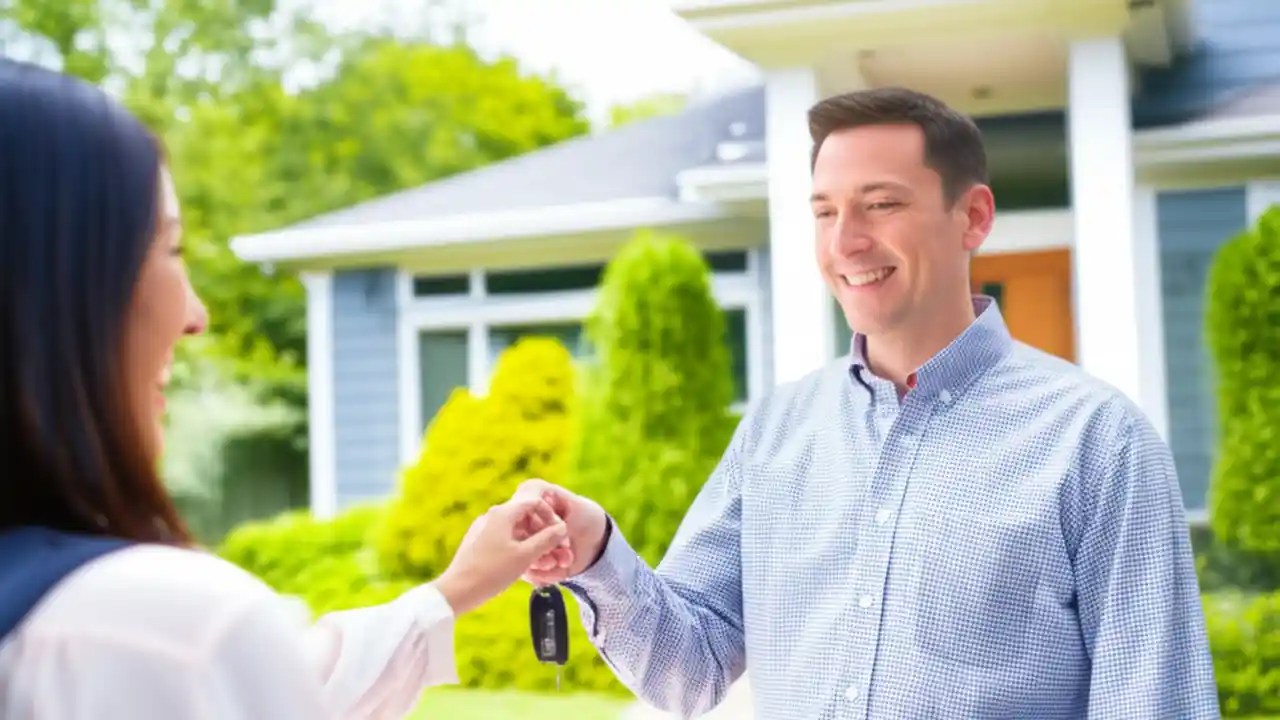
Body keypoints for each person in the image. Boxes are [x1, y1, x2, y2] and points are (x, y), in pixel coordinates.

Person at [511, 87, 1221, 718]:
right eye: (826, 212)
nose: (845, 242)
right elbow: (688, 674)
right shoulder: (775, 433)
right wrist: (597, 553)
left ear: (973, 217)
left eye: (881, 205)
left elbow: (1155, 703)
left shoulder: (1098, 441)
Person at [0, 59, 568, 718]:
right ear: (52, 296)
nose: (195, 315)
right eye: (170, 250)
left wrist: (453, 589)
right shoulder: (169, 634)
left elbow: (305, 678)